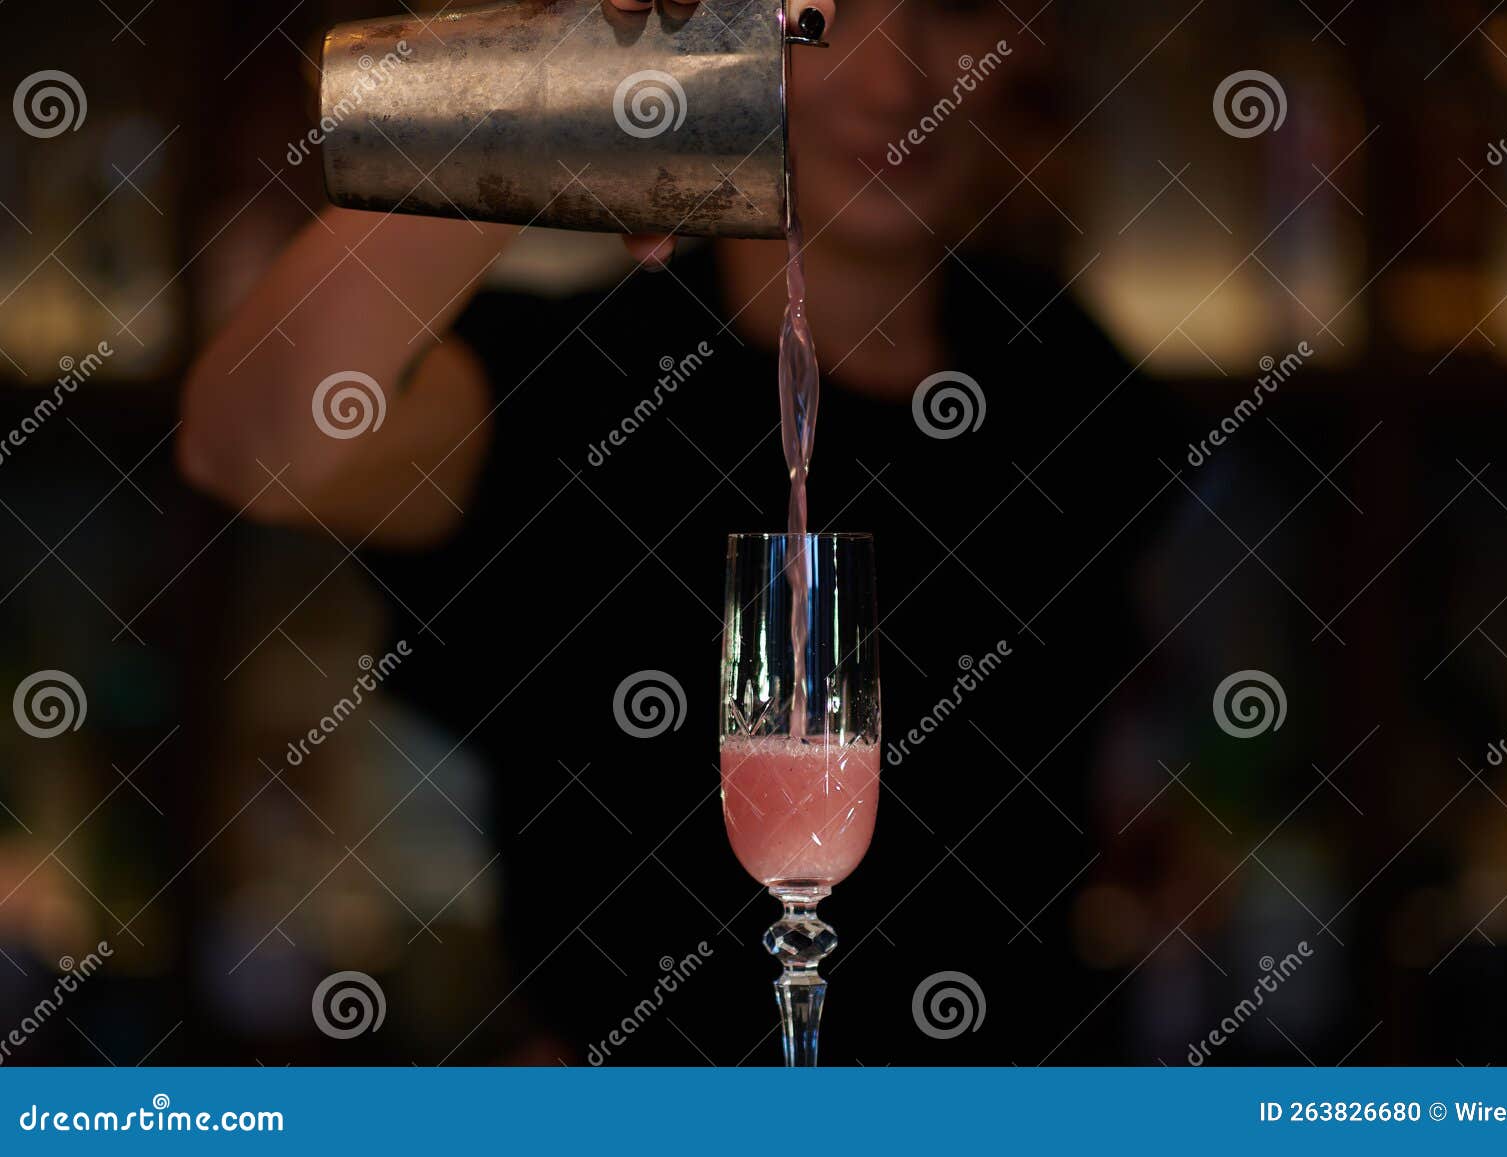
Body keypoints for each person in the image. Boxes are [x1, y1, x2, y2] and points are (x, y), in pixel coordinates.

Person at [180, 0, 1181, 1063]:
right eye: (819, 21)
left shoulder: (1076, 385)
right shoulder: (582, 389)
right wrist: (556, 93)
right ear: (721, 47)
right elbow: (260, 444)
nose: (892, 83)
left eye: (944, 12)